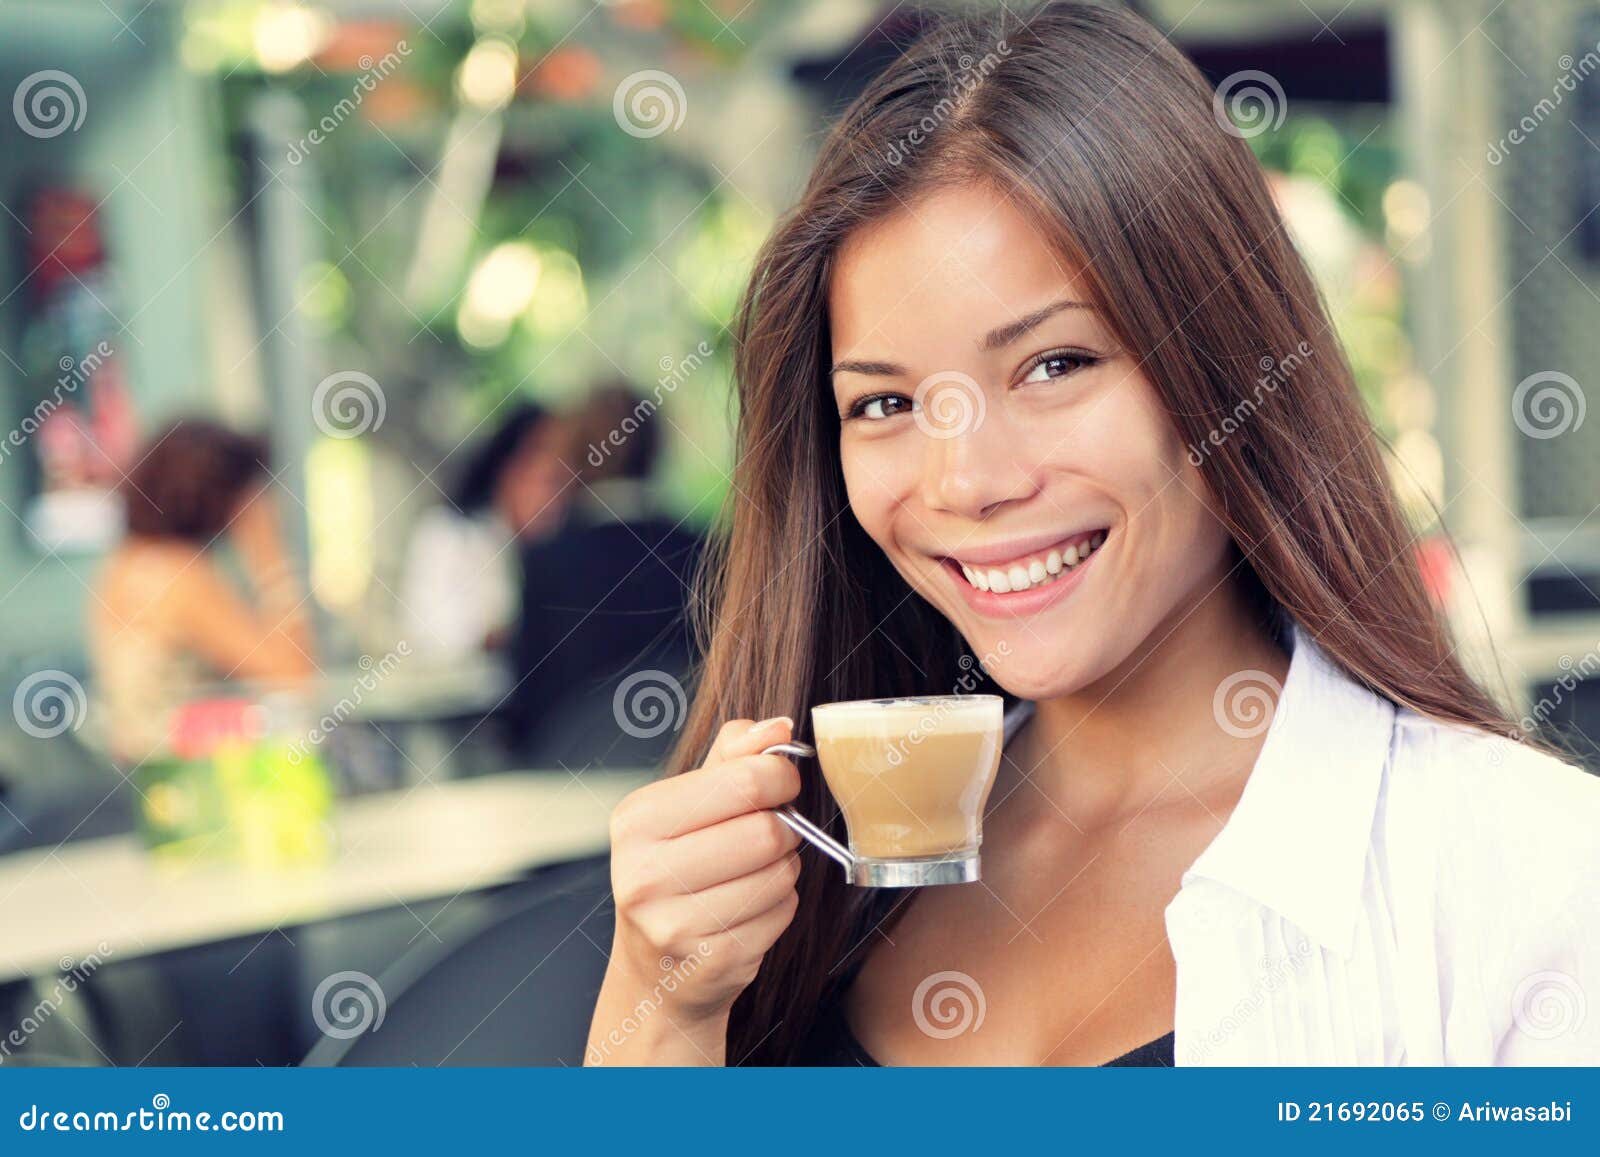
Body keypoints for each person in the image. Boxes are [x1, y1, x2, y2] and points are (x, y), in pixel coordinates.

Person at [587, 2, 1600, 1066]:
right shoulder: (797, 877)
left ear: (1228, 366)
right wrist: (661, 1012)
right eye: (885, 402)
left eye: (1055, 365)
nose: (967, 480)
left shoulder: (1527, 873)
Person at [89, 420, 313, 762]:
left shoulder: (127, 561)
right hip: (191, 772)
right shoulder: (176, 576)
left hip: (149, 770)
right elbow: (296, 676)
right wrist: (269, 553)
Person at [507, 385, 701, 764]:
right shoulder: (702, 549)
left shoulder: (548, 560)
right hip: (684, 764)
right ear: (655, 449)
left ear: (576, 455)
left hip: (564, 774)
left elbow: (527, 696)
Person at [400, 401, 572, 659]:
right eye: (549, 481)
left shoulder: (560, 550)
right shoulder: (448, 533)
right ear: (508, 469)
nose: (556, 500)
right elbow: (426, 632)